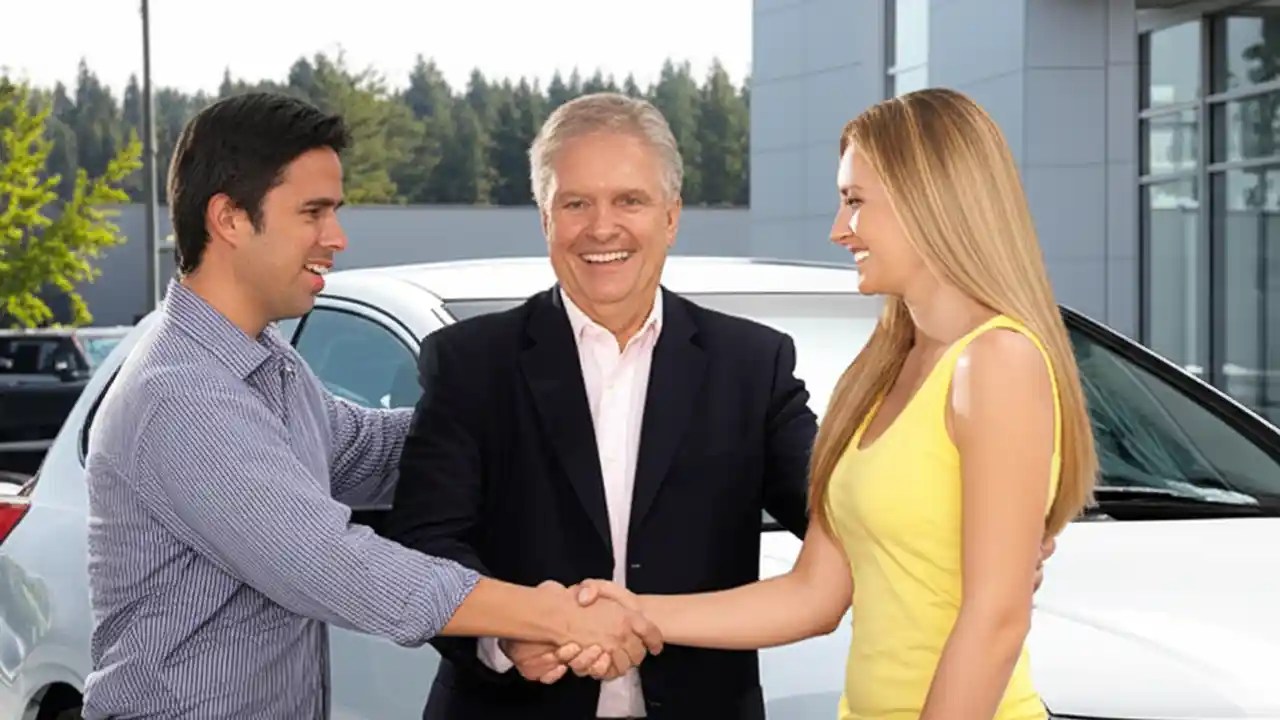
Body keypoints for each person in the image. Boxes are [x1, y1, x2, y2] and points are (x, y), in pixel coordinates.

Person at [384, 91, 1058, 720]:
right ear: (544, 218)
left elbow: (842, 515)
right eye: (575, 204)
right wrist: (518, 629)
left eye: (629, 200)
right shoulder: (469, 362)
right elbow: (427, 544)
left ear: (672, 216)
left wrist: (996, 526)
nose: (602, 228)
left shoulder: (753, 365)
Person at [81, 92, 660, 720]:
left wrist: (548, 410)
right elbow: (333, 565)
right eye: (313, 212)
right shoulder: (184, 397)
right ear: (229, 218)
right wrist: (550, 614)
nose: (337, 237)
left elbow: (373, 451)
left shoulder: (269, 365)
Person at [574, 87, 1099, 720]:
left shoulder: (997, 362)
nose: (838, 229)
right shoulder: (882, 372)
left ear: (929, 199)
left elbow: (996, 622)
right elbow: (815, 595)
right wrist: (634, 610)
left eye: (855, 201)